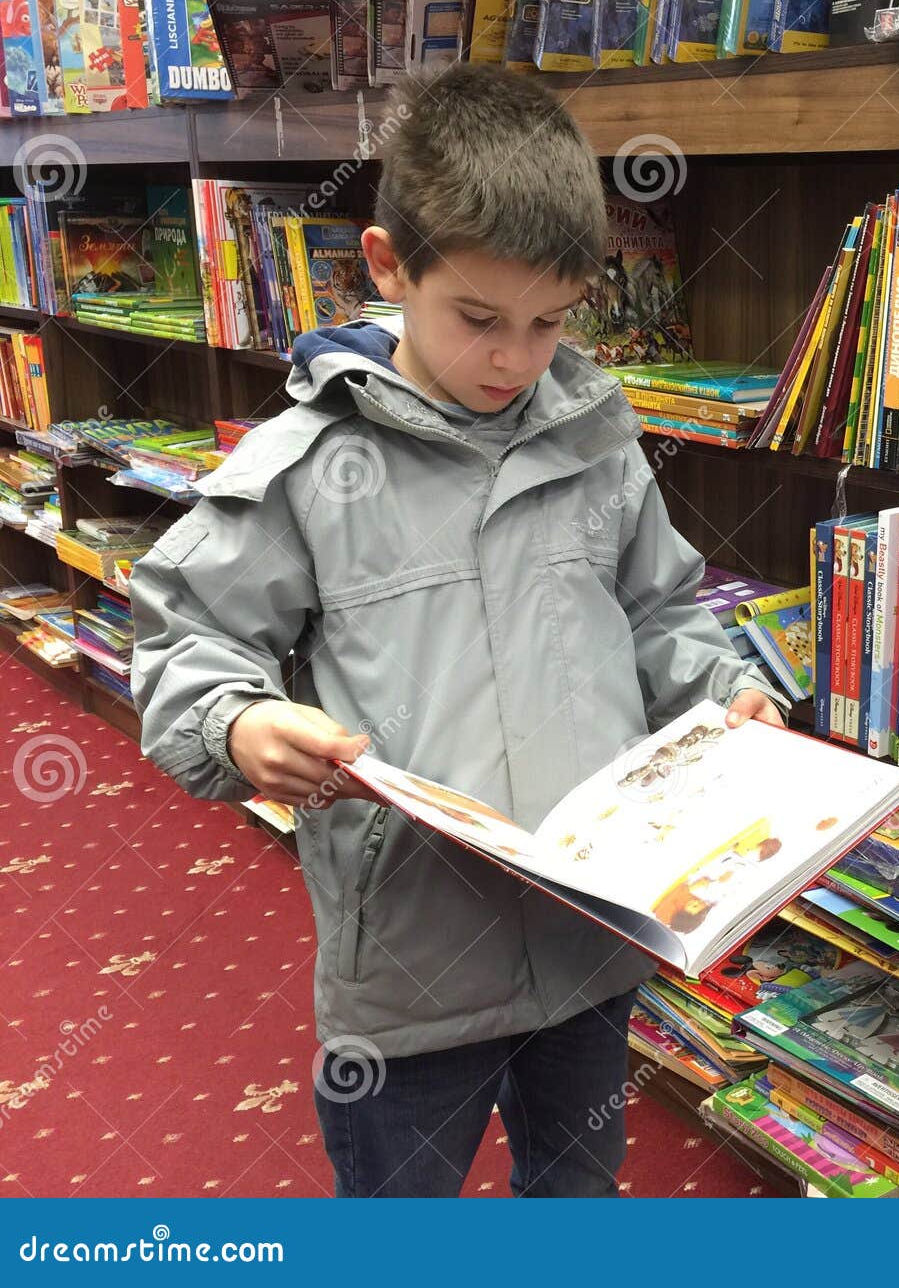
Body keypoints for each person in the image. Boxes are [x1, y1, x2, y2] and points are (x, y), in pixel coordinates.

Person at [130, 63, 787, 1198]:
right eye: (479, 319)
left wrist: (721, 695)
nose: (515, 360)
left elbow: (659, 609)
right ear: (388, 264)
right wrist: (239, 724)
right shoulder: (308, 464)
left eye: (549, 323)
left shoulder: (591, 436)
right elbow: (188, 633)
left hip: (593, 937)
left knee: (577, 1191)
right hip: (413, 973)